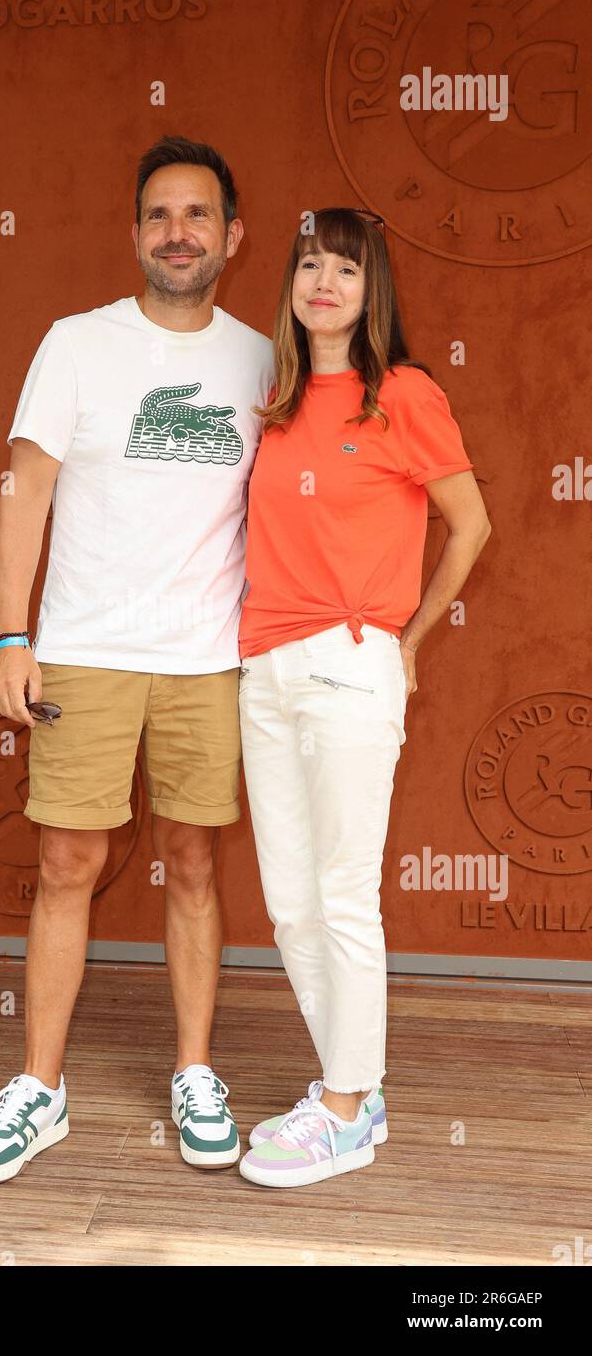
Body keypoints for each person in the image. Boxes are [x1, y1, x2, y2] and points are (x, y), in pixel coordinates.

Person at [0, 136, 274, 1184]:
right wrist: (11, 636)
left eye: (195, 215)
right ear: (134, 233)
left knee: (191, 862)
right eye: (155, 215)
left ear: (230, 236)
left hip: (204, 660)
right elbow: (24, 494)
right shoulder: (75, 344)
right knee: (66, 865)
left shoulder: (258, 358)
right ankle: (40, 1087)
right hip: (84, 653)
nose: (174, 232)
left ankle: (192, 1070)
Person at [236, 207, 491, 1189]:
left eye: (344, 267)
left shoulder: (404, 394)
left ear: (369, 288)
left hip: (349, 664)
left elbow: (467, 525)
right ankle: (352, 1085)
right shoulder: (276, 398)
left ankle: (342, 1109)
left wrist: (408, 639)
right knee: (289, 904)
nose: (323, 281)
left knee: (340, 895)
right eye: (308, 264)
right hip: (262, 669)